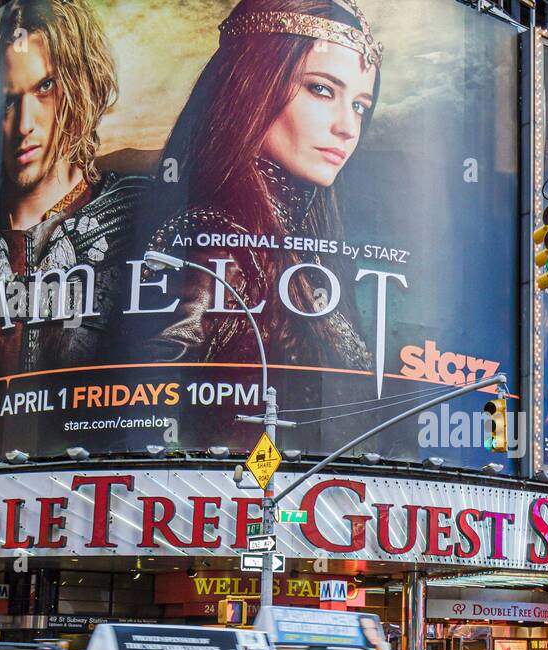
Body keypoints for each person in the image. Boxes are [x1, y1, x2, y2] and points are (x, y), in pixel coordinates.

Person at [142, 0, 378, 376]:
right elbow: (152, 398)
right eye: (321, 89)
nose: (348, 127)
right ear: (253, 84)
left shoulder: (301, 241)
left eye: (360, 105)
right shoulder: (218, 242)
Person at [0, 0, 146, 388]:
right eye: (9, 100)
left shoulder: (135, 213)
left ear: (82, 84)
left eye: (45, 86)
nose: (24, 124)